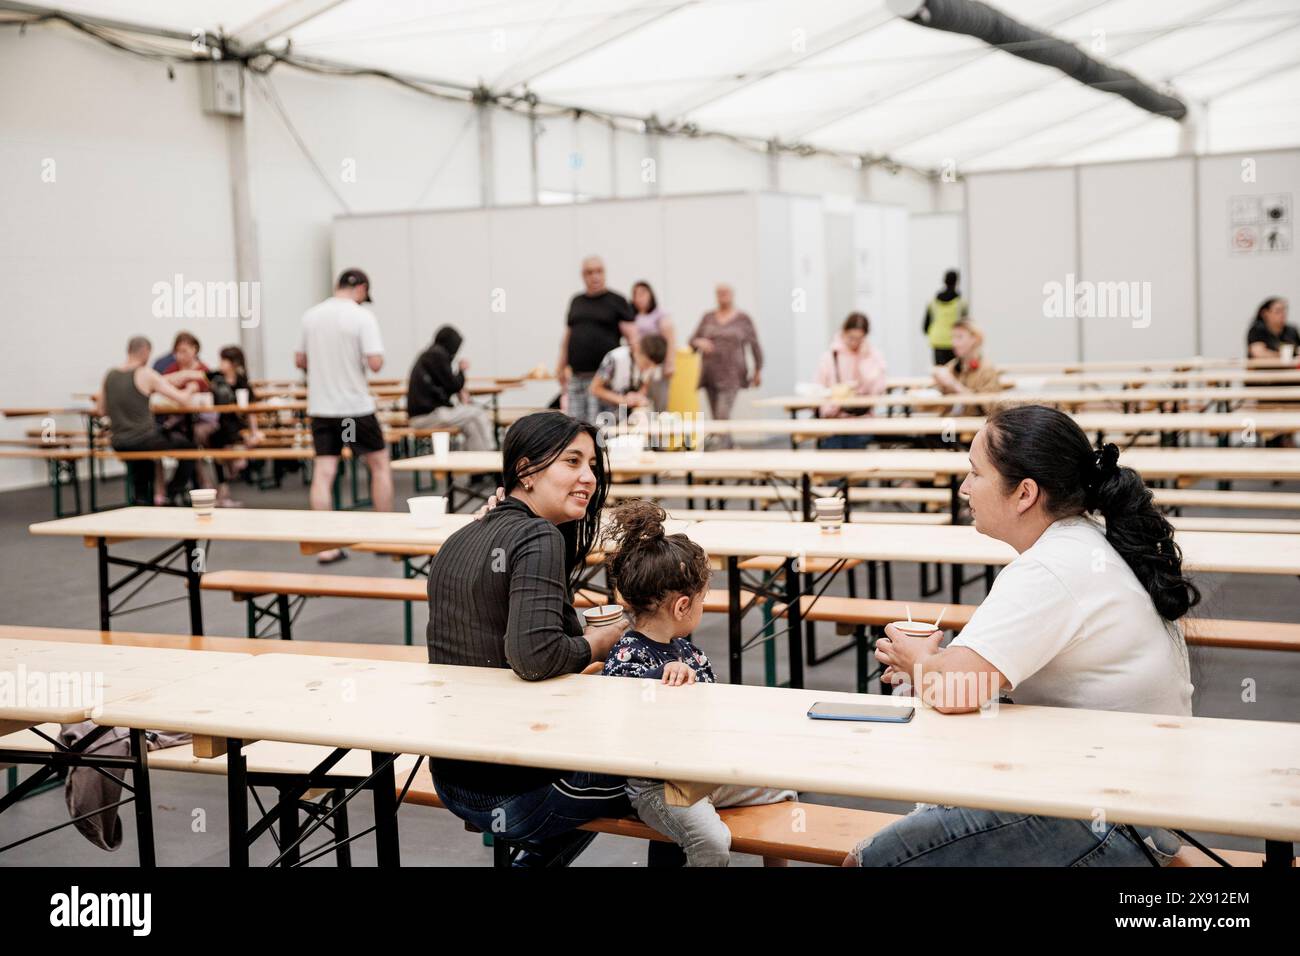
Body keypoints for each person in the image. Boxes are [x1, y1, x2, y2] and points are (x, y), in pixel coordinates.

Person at [846, 404, 1198, 867]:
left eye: (975, 473)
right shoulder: (1086, 541)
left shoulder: (1051, 567)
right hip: (1132, 800)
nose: (964, 487)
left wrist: (920, 661)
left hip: (1110, 822)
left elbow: (956, 688)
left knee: (868, 862)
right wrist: (934, 665)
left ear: (1025, 493)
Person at [425, 411, 630, 866]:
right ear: (526, 472)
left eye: (592, 465)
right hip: (514, 788)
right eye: (572, 462)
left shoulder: (460, 536)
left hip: (452, 774)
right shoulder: (538, 537)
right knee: (670, 782)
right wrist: (603, 640)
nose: (589, 477)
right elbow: (533, 657)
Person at [600, 500, 798, 866]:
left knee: (782, 788)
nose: (704, 607)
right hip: (654, 785)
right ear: (682, 607)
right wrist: (657, 680)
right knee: (711, 841)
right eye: (703, 599)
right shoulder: (628, 654)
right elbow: (616, 717)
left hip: (698, 771)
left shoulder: (692, 655)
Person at [296, 268, 394, 564]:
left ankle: (326, 546)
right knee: (378, 465)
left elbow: (300, 360)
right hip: (354, 407)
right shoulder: (361, 316)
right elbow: (375, 362)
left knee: (324, 473)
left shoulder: (310, 316)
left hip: (322, 408)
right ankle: (383, 538)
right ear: (361, 289)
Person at [99, 336, 200, 505]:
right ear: (146, 352)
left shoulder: (109, 375)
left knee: (143, 462)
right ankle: (172, 490)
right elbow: (182, 399)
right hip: (144, 439)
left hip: (118, 441)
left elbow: (100, 410)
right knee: (190, 448)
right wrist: (191, 388)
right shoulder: (145, 373)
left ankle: (141, 499)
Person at [557, 257, 634, 425]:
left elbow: (633, 338)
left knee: (600, 428)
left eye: (599, 271)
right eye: (589, 272)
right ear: (583, 276)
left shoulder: (617, 300)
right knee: (575, 426)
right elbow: (568, 336)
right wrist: (560, 365)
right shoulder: (576, 301)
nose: (595, 276)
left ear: (604, 273)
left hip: (604, 380)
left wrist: (635, 374)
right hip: (577, 377)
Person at [690, 283, 763, 445]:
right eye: (719, 293)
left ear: (732, 294)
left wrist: (758, 369)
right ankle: (728, 448)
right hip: (710, 373)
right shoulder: (707, 317)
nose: (723, 296)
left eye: (726, 292)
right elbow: (692, 340)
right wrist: (699, 342)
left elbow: (755, 344)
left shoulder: (743, 318)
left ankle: (722, 451)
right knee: (717, 417)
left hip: (732, 373)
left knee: (722, 414)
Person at [406, 325, 494, 451]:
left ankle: (476, 464)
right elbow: (453, 384)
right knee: (477, 412)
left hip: (423, 415)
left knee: (471, 424)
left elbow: (444, 384)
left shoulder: (430, 354)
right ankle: (492, 456)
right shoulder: (437, 355)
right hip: (427, 416)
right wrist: (462, 371)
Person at [814, 312, 888, 449]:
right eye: (851, 338)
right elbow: (819, 389)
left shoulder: (872, 356)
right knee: (834, 443)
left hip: (862, 418)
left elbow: (878, 390)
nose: (854, 343)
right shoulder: (830, 357)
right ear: (843, 333)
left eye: (859, 339)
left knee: (854, 440)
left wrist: (865, 361)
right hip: (835, 417)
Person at [206, 345, 263, 507]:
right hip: (221, 427)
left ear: (234, 363)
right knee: (215, 439)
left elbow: (251, 411)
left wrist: (254, 432)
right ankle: (223, 490)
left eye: (225, 360)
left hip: (236, 428)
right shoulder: (216, 379)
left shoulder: (243, 383)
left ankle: (225, 486)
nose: (221, 363)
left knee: (224, 441)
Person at [932, 318, 1001, 415]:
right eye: (952, 337)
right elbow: (937, 405)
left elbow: (990, 408)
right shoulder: (951, 366)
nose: (954, 343)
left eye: (959, 337)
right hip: (950, 424)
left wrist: (954, 385)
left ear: (975, 339)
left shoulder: (987, 369)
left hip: (975, 427)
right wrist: (938, 386)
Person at [590, 333, 668, 419]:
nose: (647, 369)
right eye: (646, 364)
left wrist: (638, 397)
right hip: (605, 411)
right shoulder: (615, 358)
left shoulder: (650, 365)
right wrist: (622, 400)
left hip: (628, 413)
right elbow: (594, 389)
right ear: (638, 350)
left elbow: (644, 385)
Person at [630, 281, 676, 411]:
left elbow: (670, 339)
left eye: (643, 293)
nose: (639, 297)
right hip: (639, 365)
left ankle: (660, 427)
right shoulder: (632, 315)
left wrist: (670, 363)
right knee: (643, 399)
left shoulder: (659, 314)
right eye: (636, 294)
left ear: (650, 295)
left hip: (656, 364)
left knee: (659, 399)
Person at [923, 269, 968, 366]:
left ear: (944, 281)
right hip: (955, 341)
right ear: (957, 282)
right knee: (955, 373)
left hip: (938, 341)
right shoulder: (961, 303)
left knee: (940, 373)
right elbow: (966, 324)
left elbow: (925, 326)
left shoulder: (932, 302)